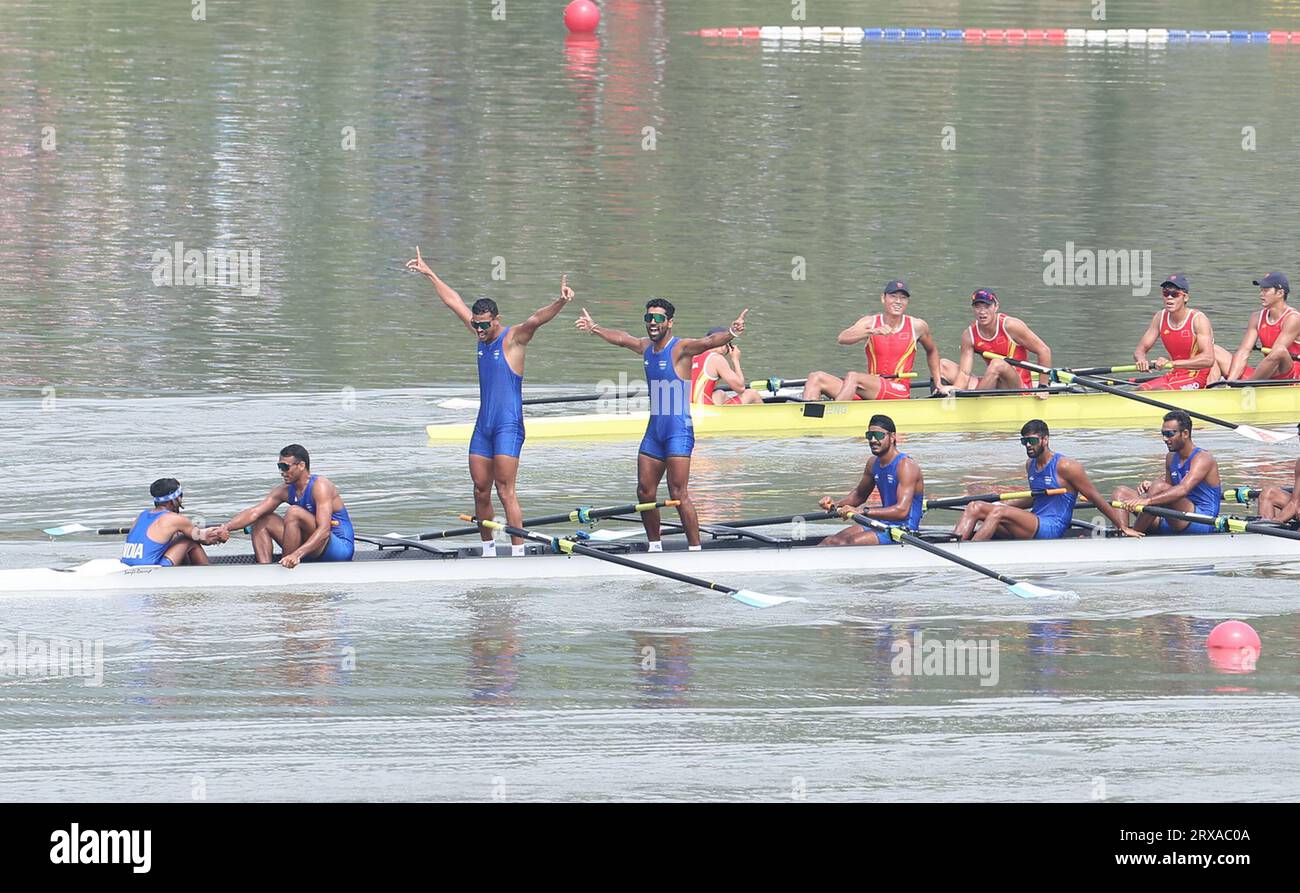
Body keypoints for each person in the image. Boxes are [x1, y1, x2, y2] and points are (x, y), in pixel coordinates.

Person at [406, 247, 573, 556]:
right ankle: (487, 551)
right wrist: (430, 273)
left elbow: (537, 319)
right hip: (484, 426)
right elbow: (452, 300)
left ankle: (519, 552)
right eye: (476, 325)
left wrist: (561, 301)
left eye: (485, 325)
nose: (480, 330)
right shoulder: (479, 333)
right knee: (480, 490)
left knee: (505, 490)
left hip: (508, 425)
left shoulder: (513, 339)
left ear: (498, 320)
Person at [575, 299, 748, 550]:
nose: (652, 324)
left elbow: (709, 342)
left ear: (669, 322)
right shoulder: (645, 347)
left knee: (678, 494)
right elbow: (622, 339)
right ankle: (655, 547)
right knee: (645, 493)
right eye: (648, 319)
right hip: (654, 432)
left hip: (678, 431)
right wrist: (595, 328)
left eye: (658, 319)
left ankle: (695, 549)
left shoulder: (681, 348)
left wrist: (731, 333)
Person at [952, 420, 1141, 541]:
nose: (1028, 445)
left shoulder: (1066, 466)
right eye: (1024, 441)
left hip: (1052, 527)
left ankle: (970, 553)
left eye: (1032, 441)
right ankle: (954, 544)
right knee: (975, 506)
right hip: (1034, 521)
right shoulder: (1030, 465)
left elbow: (1095, 497)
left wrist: (1121, 526)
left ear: (1045, 440)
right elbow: (1036, 498)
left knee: (998, 512)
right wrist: (1005, 504)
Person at [802, 279, 951, 401]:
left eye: (903, 298)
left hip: (899, 390)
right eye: (893, 296)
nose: (898, 301)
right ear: (883, 298)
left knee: (853, 377)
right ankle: (807, 419)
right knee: (816, 377)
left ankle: (834, 415)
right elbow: (842, 338)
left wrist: (937, 382)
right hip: (870, 389)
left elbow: (932, 351)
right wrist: (871, 332)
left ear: (907, 302)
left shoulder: (917, 326)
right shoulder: (869, 323)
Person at [221, 445, 354, 568]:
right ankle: (264, 570)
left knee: (294, 512)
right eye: (279, 466)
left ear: (301, 465)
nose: (282, 472)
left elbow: (324, 531)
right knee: (262, 518)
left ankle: (287, 563)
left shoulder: (321, 486)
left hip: (338, 550)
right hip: (309, 548)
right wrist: (225, 528)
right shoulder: (284, 490)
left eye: (285, 467)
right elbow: (254, 512)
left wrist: (297, 554)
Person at [816, 414, 923, 546]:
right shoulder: (872, 463)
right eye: (869, 435)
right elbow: (859, 495)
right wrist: (835, 505)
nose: (872, 440)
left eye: (878, 435)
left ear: (892, 437)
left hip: (904, 530)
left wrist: (861, 511)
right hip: (882, 523)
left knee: (851, 542)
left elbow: (902, 511)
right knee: (830, 541)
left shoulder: (906, 466)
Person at [1111, 411, 1222, 533]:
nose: (1165, 439)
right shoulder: (1170, 457)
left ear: (1185, 433)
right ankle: (1122, 531)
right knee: (1121, 492)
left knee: (1158, 487)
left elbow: (1182, 489)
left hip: (1200, 521)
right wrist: (1151, 486)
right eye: (1163, 434)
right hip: (1173, 520)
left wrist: (1147, 500)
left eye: (1169, 434)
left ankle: (1132, 537)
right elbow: (1169, 487)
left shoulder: (1203, 458)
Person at [939, 288, 1053, 395]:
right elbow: (964, 373)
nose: (982, 312)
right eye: (977, 307)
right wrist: (956, 388)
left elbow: (1044, 350)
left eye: (987, 306)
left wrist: (1043, 386)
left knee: (997, 363)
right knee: (942, 365)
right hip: (993, 383)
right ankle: (941, 400)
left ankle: (976, 401)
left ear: (996, 307)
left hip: (1018, 386)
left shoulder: (1011, 326)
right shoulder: (969, 335)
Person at [1132, 274, 1219, 390]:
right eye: (1165, 293)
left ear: (1185, 297)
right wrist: (1141, 360)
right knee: (1140, 390)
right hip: (1174, 374)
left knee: (1160, 391)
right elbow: (1139, 350)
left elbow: (1208, 360)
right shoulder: (1160, 317)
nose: (1169, 298)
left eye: (1175, 294)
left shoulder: (1198, 319)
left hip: (1195, 377)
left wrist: (1172, 363)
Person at [120, 478, 228, 567]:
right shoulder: (174, 519)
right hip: (150, 569)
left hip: (128, 565)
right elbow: (201, 538)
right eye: (181, 495)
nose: (181, 499)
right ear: (173, 500)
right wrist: (219, 534)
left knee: (179, 536)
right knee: (188, 540)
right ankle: (207, 576)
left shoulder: (141, 515)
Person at [1225, 272, 1300, 382]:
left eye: (1266, 290)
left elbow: (1277, 353)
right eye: (1261, 290)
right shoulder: (1256, 317)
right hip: (1267, 372)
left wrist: (1246, 385)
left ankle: (1248, 386)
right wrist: (1231, 381)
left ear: (1280, 293)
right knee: (1215, 351)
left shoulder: (1293, 318)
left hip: (1290, 374)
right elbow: (1244, 352)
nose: (1261, 294)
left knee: (1279, 351)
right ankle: (1225, 387)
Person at [690, 327, 763, 405]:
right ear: (723, 345)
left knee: (720, 394)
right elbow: (740, 388)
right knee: (752, 394)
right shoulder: (717, 358)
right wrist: (736, 360)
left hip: (688, 407)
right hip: (704, 410)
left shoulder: (692, 355)